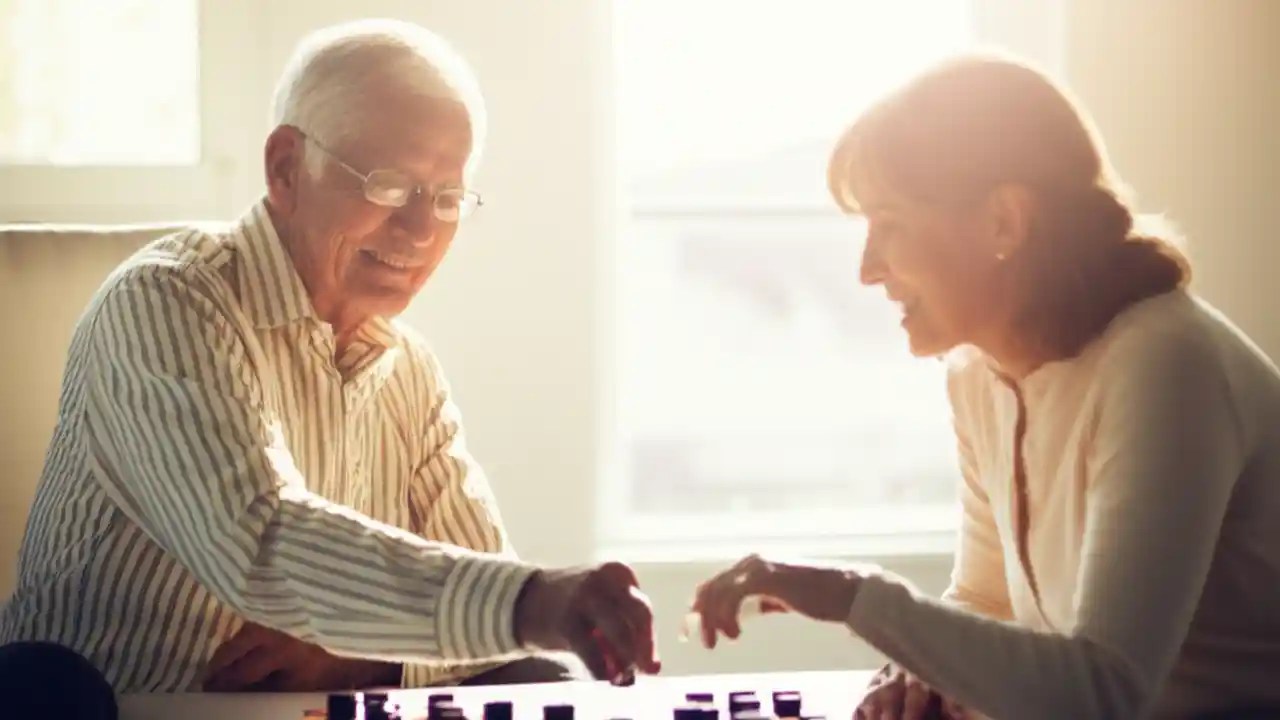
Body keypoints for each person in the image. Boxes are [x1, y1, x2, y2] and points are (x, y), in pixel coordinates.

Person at [0, 19, 659, 693]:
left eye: (448, 197)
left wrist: (366, 660)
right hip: (116, 707)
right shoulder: (166, 300)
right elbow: (260, 544)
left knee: (539, 677)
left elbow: (488, 619)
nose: (421, 229)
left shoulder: (409, 370)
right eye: (389, 185)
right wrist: (534, 601)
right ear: (287, 169)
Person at [689, 52, 1280, 719]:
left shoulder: (1164, 365)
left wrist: (854, 595)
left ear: (1004, 222)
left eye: (891, 223)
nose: (867, 269)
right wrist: (919, 671)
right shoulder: (979, 372)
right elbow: (989, 601)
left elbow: (1102, 690)